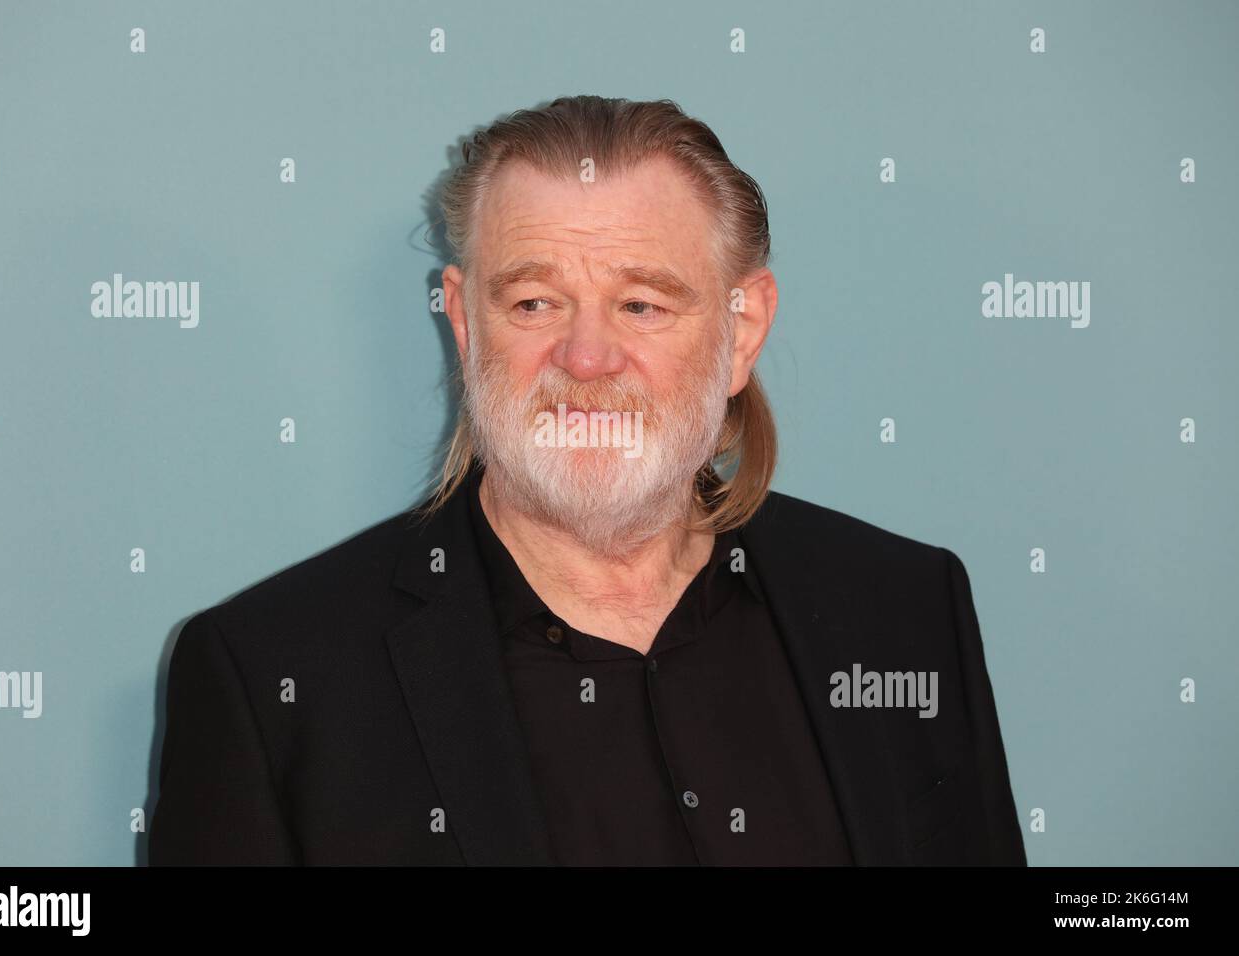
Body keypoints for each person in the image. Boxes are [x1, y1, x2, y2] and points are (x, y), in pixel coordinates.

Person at [148, 95, 1026, 866]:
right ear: (463, 323)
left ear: (743, 328)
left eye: (641, 303)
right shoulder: (270, 682)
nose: (587, 357)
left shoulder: (905, 611)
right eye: (534, 303)